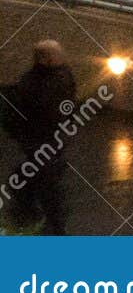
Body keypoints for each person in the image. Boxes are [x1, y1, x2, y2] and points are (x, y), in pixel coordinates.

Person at [2, 40, 77, 235]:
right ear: (45, 59)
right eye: (57, 55)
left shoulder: (45, 78)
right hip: (41, 138)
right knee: (48, 180)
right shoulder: (44, 81)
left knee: (40, 174)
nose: (62, 58)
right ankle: (53, 226)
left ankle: (26, 207)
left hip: (44, 137)